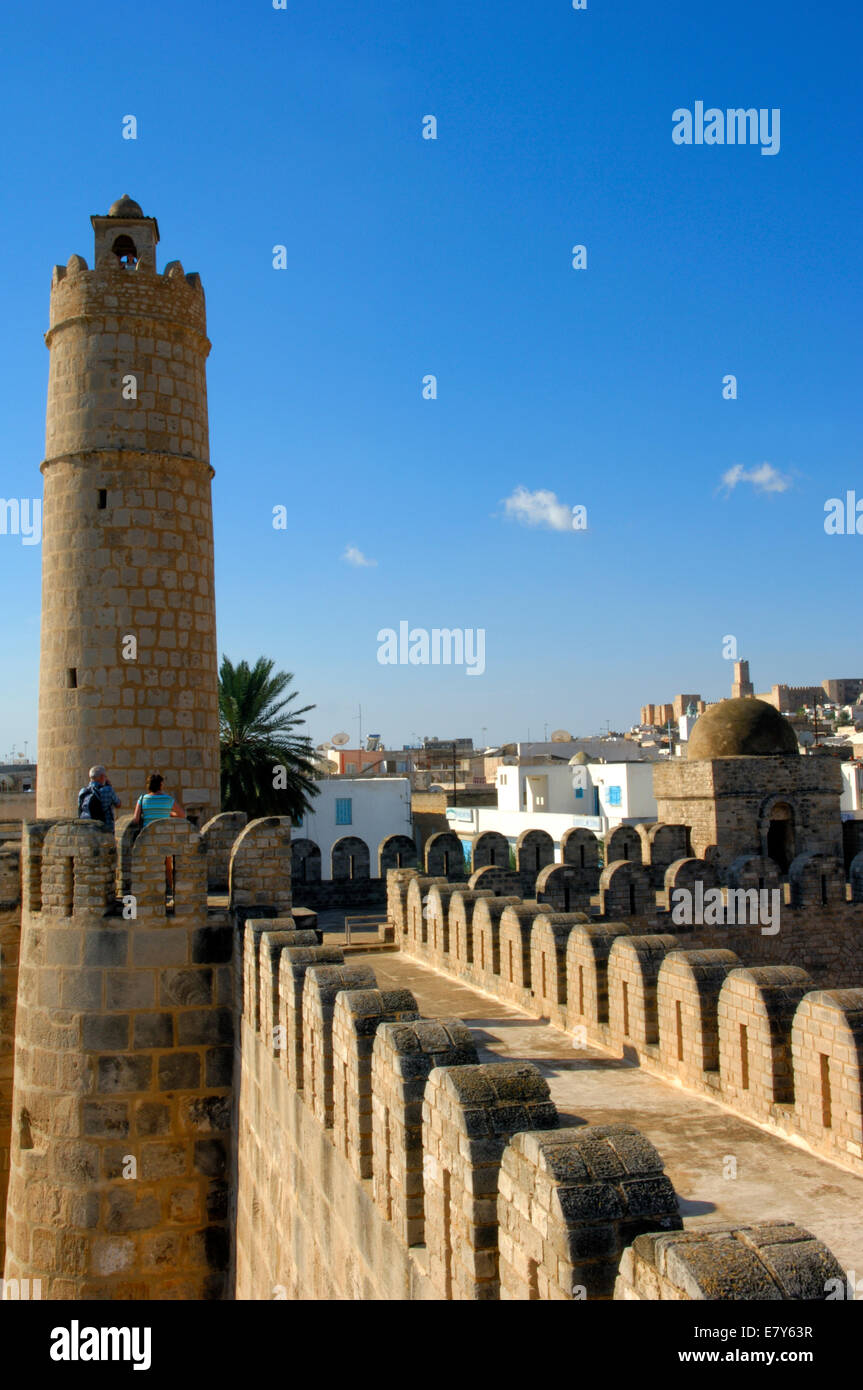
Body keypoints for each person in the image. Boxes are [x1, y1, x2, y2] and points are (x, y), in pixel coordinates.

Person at [132, 773, 185, 895]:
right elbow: (182, 815)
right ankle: (171, 889)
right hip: (164, 836)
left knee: (148, 863)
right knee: (167, 863)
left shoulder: (142, 799)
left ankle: (149, 889)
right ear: (161, 785)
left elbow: (135, 819)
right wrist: (170, 814)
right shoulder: (168, 799)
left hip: (147, 836)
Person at [77, 765, 121, 831]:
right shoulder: (108, 790)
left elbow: (79, 807)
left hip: (85, 828)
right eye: (105, 776)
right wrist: (110, 786)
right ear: (102, 777)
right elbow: (118, 804)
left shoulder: (83, 791)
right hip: (104, 828)